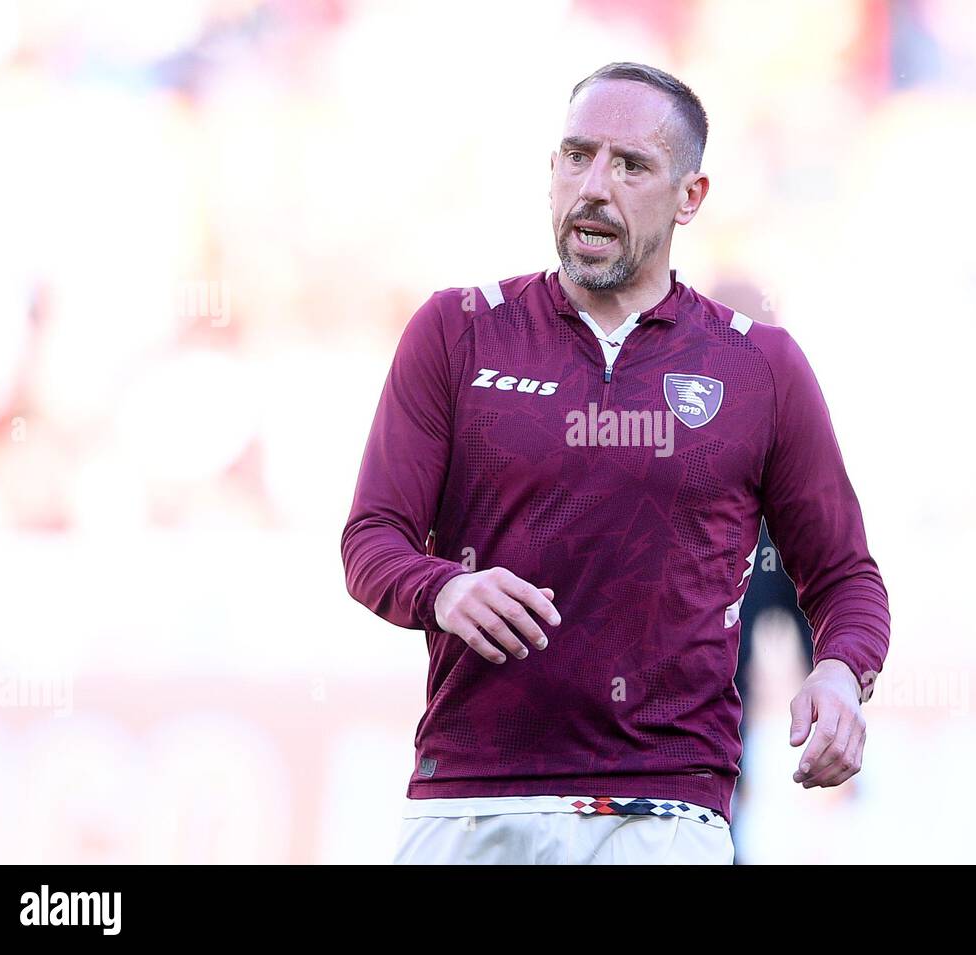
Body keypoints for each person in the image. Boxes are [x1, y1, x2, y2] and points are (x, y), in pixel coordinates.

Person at [341, 61, 891, 865]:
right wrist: (446, 586)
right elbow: (371, 539)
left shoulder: (759, 367)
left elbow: (845, 576)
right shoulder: (456, 332)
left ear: (690, 196)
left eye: (630, 165)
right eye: (576, 155)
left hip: (662, 814)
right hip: (470, 804)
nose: (594, 186)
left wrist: (841, 673)